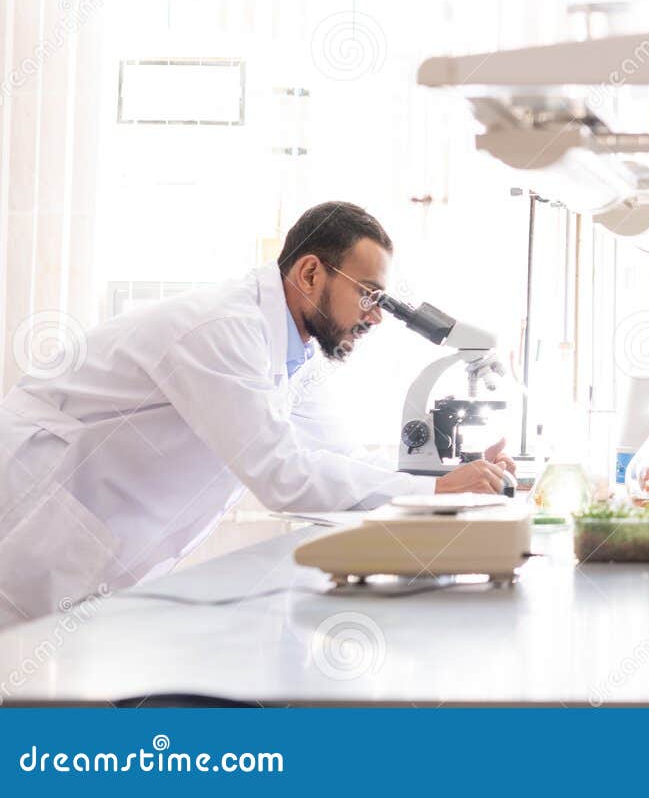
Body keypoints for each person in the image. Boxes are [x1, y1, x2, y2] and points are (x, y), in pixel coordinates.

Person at [0, 202, 516, 625]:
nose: (377, 316)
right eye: (369, 295)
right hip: (37, 514)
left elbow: (335, 456)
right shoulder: (224, 330)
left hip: (98, 537)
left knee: (59, 690)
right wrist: (435, 494)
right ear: (311, 272)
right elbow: (283, 477)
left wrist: (455, 483)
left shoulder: (293, 352)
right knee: (28, 689)